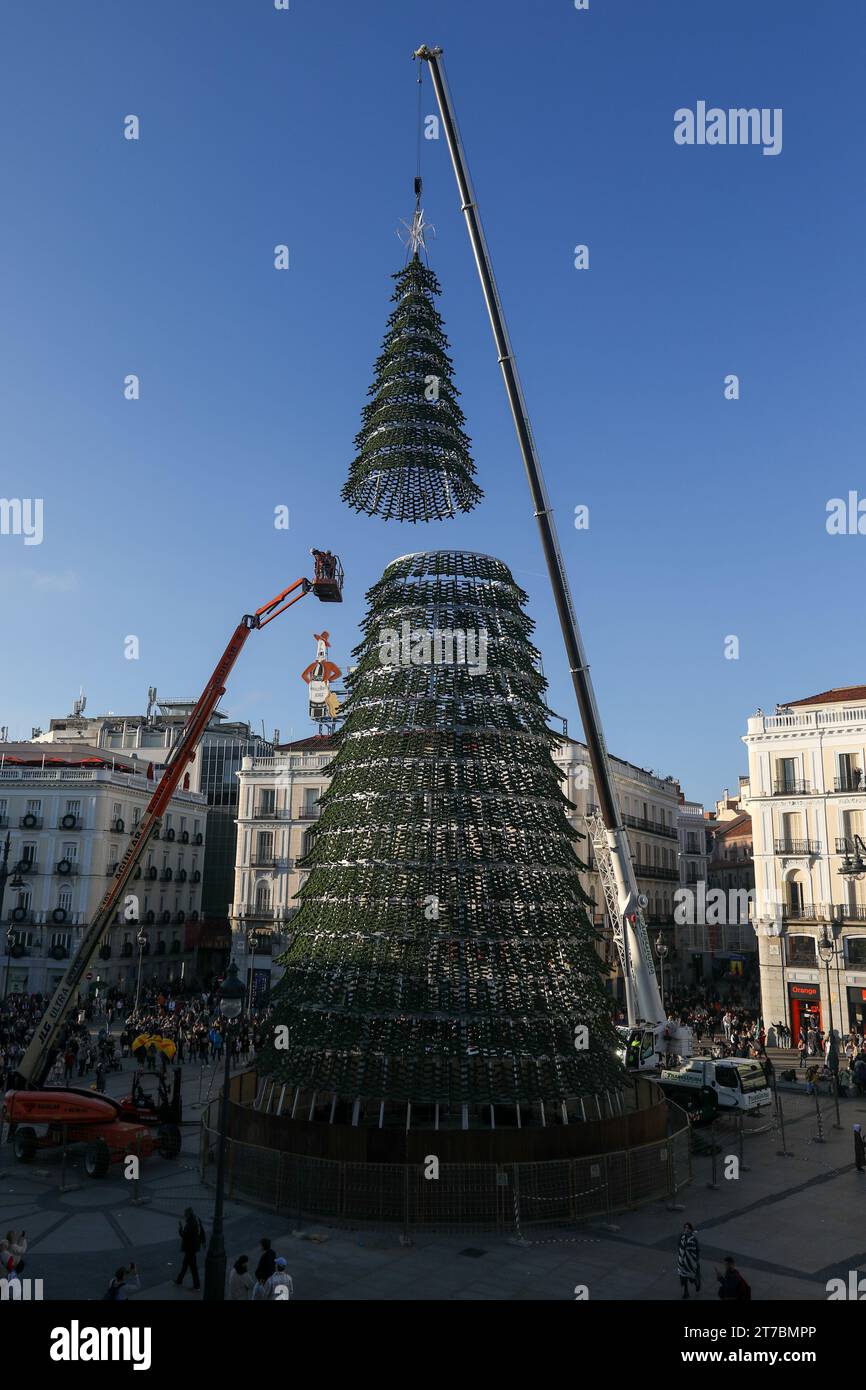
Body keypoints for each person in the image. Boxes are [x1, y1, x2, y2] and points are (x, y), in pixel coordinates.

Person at [175, 1208, 205, 1291]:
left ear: (188, 1215)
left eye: (185, 1215)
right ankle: (179, 1280)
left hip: (190, 1248)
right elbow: (202, 1231)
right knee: (185, 1265)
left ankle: (196, 1286)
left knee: (193, 1267)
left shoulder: (190, 1223)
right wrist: (203, 1242)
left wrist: (180, 1228)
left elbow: (185, 1235)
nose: (184, 1216)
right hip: (193, 1247)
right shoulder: (196, 1220)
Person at [676, 1222, 701, 1300]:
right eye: (685, 1228)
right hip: (683, 1261)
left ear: (691, 1229)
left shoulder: (694, 1239)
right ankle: (686, 1292)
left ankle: (697, 1282)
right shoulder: (682, 1236)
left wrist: (696, 1260)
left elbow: (697, 1250)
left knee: (691, 1278)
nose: (686, 1229)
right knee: (684, 1277)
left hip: (691, 1262)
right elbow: (679, 1245)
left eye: (688, 1228)